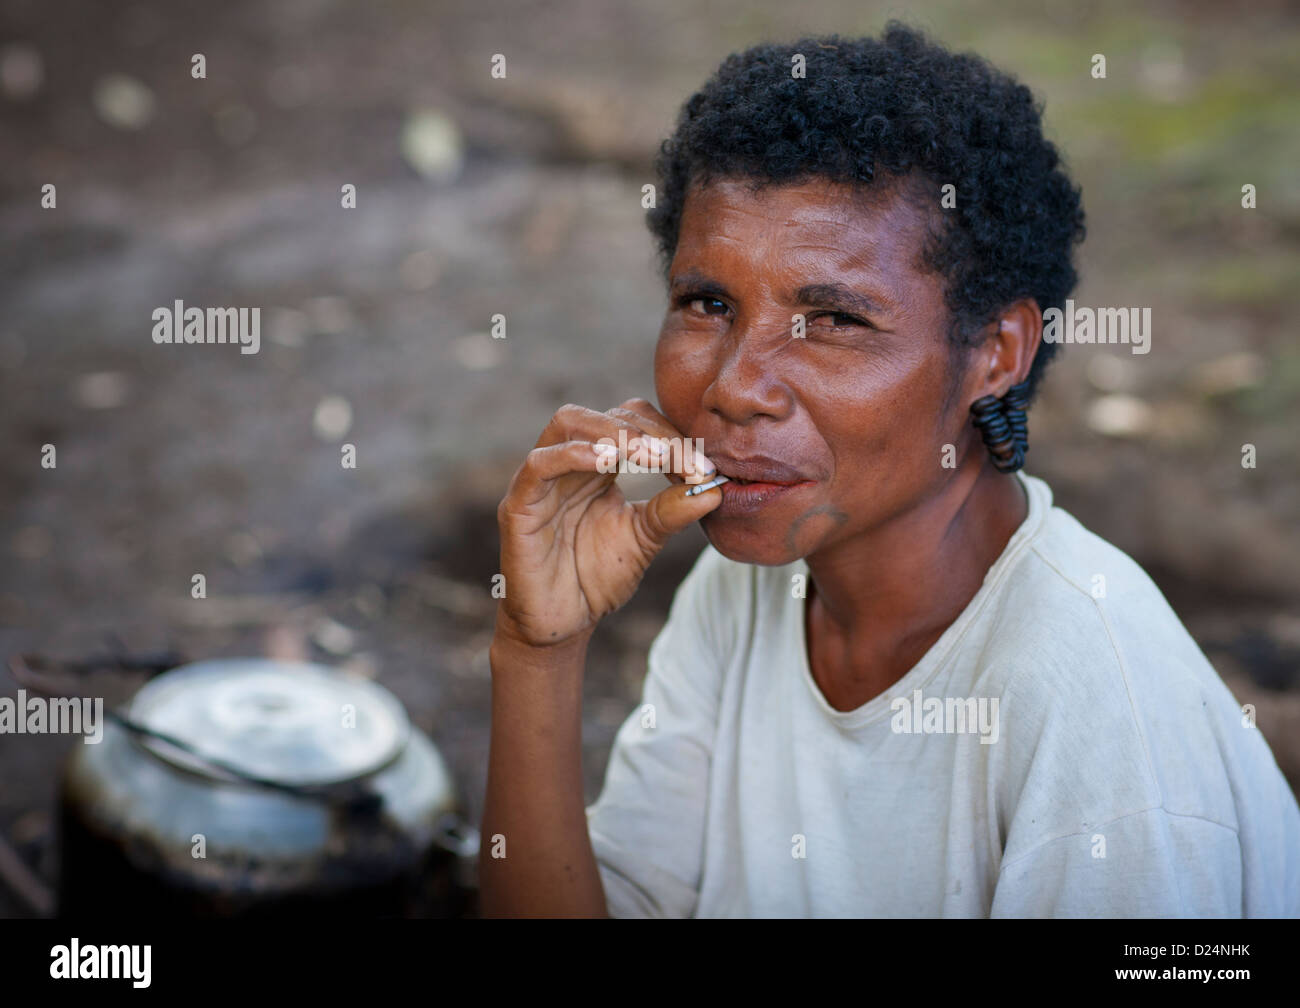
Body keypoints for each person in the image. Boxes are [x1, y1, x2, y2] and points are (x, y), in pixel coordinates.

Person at [478, 23, 1300, 917]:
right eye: (707, 302)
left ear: (996, 351)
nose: (734, 388)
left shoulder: (1100, 710)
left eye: (831, 319)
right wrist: (537, 652)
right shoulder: (741, 597)